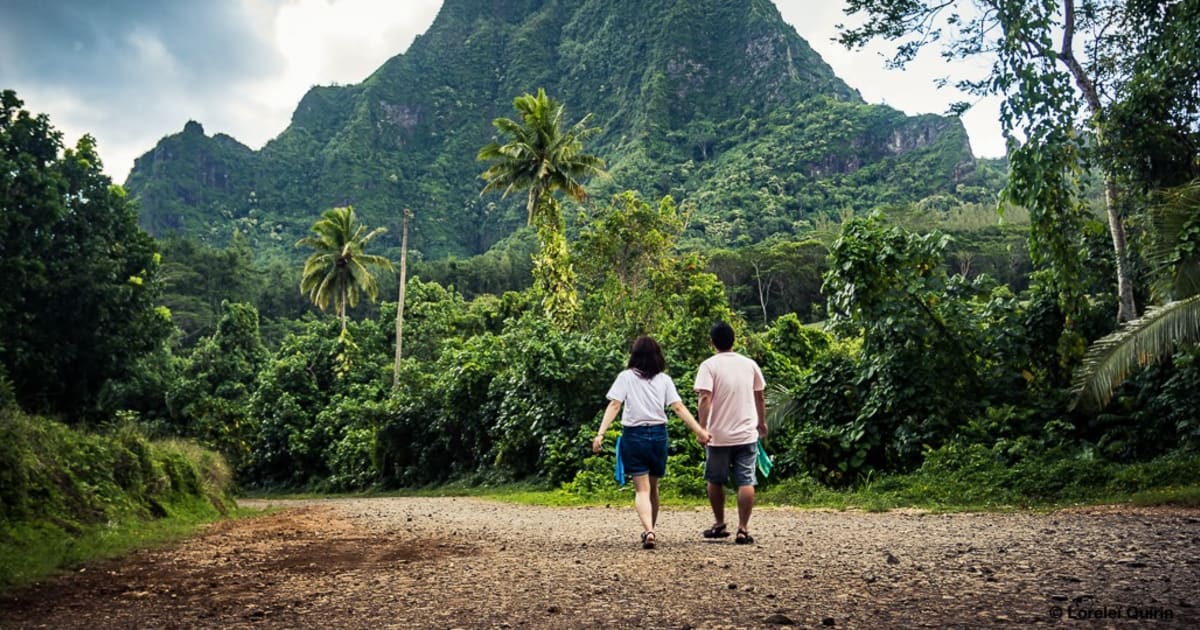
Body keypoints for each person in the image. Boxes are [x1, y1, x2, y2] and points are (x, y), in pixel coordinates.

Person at [593, 336, 711, 549]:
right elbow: (678, 408)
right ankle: (651, 530)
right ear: (658, 356)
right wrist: (700, 430)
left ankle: (649, 530)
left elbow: (614, 405)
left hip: (634, 436)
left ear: (634, 356)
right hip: (658, 436)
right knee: (653, 488)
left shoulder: (625, 377)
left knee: (641, 489)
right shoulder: (664, 380)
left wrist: (600, 434)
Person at [694, 321, 766, 545]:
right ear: (734, 340)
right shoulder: (749, 364)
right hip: (746, 433)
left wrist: (701, 428)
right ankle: (743, 529)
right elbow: (760, 395)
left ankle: (719, 523)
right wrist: (761, 422)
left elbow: (705, 397)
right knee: (746, 480)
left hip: (718, 435)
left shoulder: (709, 366)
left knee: (715, 479)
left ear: (712, 343)